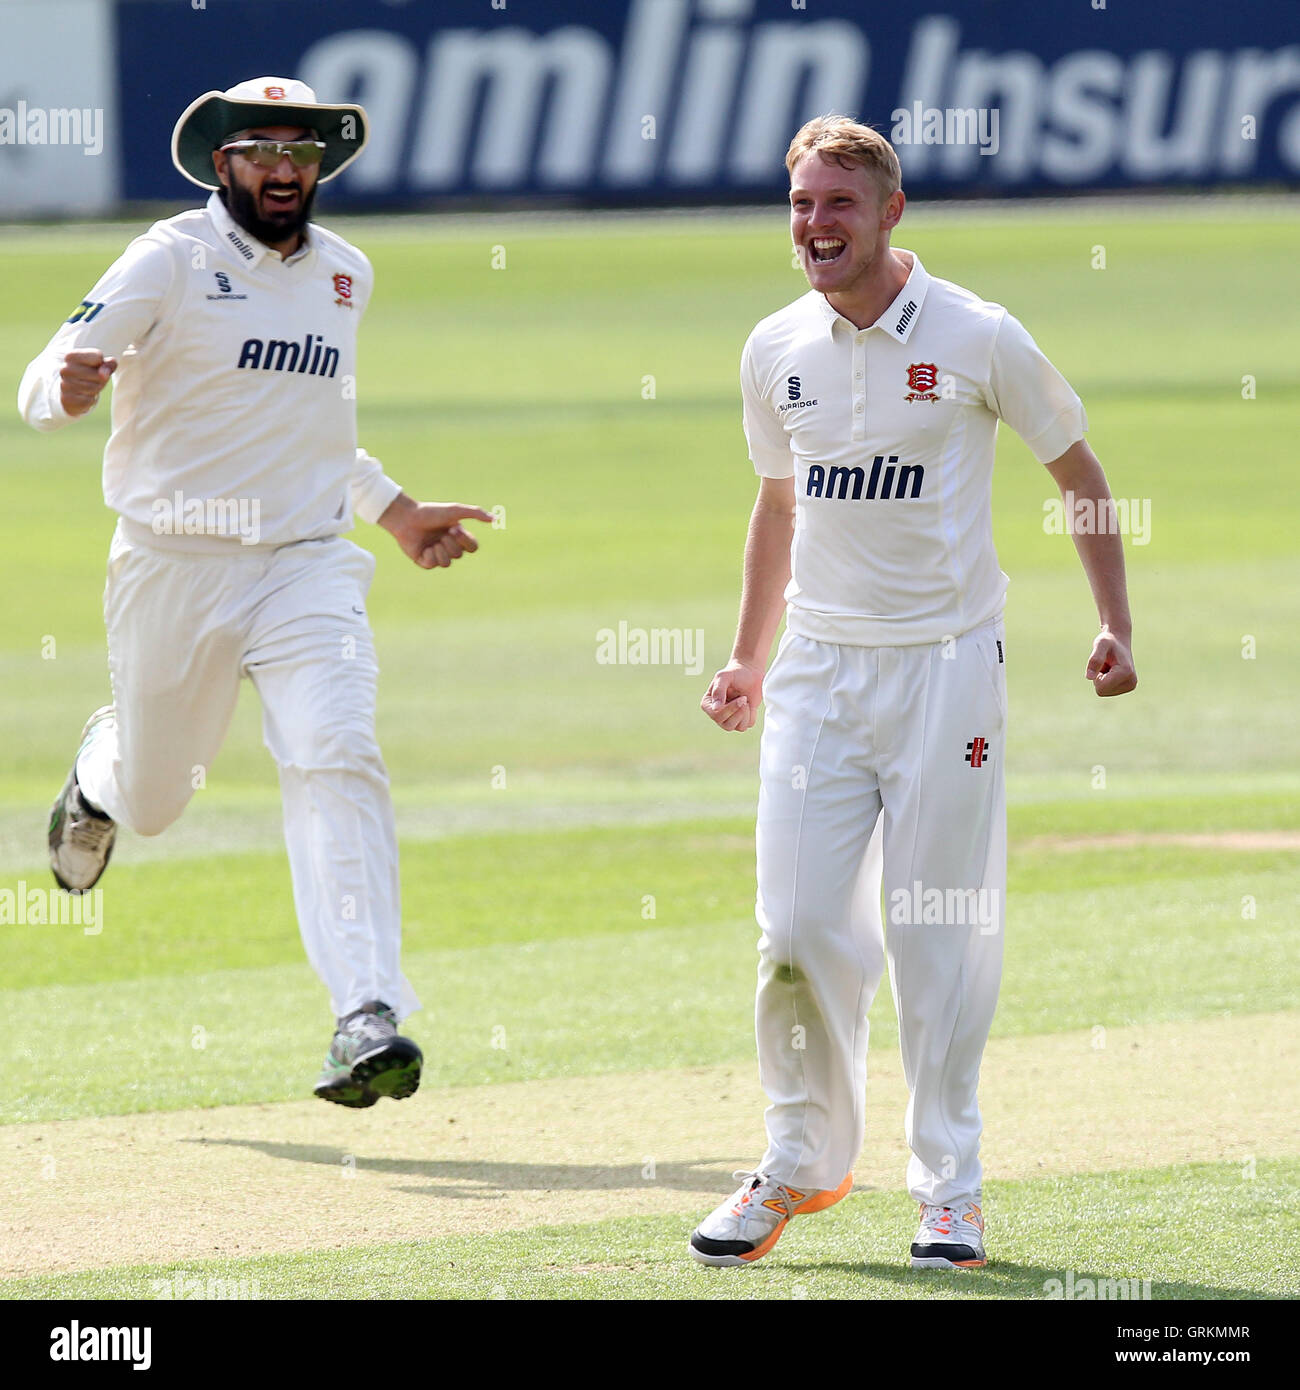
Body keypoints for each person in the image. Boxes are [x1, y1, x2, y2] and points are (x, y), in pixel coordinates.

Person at [691, 115, 1137, 1270]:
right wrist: (747, 653)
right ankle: (800, 1162)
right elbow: (778, 504)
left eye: (838, 204)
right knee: (792, 929)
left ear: (891, 213)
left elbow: (1076, 467)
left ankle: (950, 1189)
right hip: (816, 674)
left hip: (947, 666)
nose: (814, 226)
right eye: (800, 205)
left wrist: (1112, 622)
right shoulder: (773, 344)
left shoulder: (976, 334)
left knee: (937, 933)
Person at [18, 77, 493, 1110]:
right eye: (261, 148)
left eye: (302, 149)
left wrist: (395, 509)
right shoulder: (170, 257)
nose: (284, 165)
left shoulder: (345, 274)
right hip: (171, 563)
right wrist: (70, 386)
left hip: (305, 562)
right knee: (152, 804)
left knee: (335, 750)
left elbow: (315, 430)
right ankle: (99, 776)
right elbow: (42, 377)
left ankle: (365, 1009)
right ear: (221, 162)